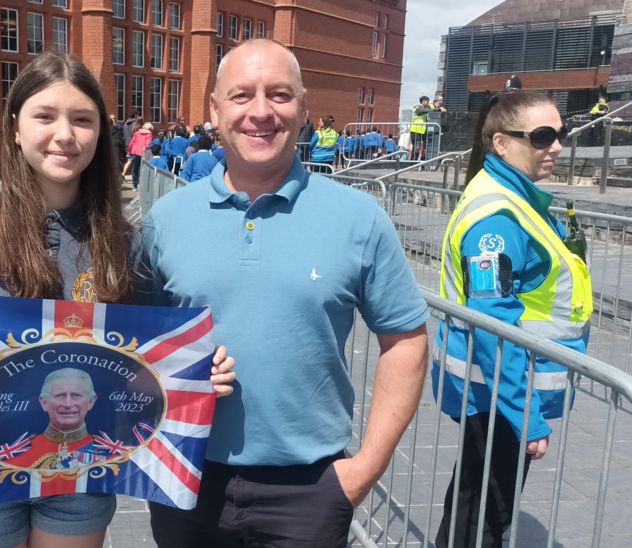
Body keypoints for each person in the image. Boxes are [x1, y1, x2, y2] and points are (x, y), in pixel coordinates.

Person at [0, 51, 236, 548]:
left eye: (82, 119)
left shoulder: (124, 242)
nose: (65, 134)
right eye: (44, 116)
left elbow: (151, 355)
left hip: (81, 474)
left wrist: (198, 372)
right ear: (16, 129)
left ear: (99, 135)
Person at [141, 38, 429, 548]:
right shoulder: (164, 220)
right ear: (213, 109)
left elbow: (405, 339)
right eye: (241, 96)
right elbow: (133, 344)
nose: (260, 112)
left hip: (310, 491)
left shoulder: (359, 218)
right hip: (185, 476)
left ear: (303, 108)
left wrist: (363, 470)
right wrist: (172, 368)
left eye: (278, 94)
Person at [434, 91, 592, 547]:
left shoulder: (510, 198)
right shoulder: (498, 218)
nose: (557, 146)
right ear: (501, 143)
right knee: (487, 512)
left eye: (559, 134)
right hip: (501, 390)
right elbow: (493, 321)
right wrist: (526, 416)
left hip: (499, 387)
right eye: (542, 136)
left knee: (473, 499)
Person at [5, 369, 111, 469]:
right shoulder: (14, 457)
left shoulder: (111, 457)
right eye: (59, 396)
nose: (67, 404)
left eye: (76, 395)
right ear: (44, 402)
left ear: (91, 402)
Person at [126, 121, 153, 188]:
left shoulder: (137, 133)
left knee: (135, 168)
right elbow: (148, 144)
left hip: (135, 152)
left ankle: (134, 185)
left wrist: (129, 151)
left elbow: (131, 143)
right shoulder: (149, 134)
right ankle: (142, 184)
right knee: (143, 169)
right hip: (143, 153)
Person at [411, 95, 431, 161]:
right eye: (426, 101)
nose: (428, 102)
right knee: (416, 148)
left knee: (425, 149)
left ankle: (422, 164)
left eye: (428, 101)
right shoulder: (417, 107)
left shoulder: (426, 109)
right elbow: (420, 111)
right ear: (422, 101)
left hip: (424, 131)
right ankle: (412, 163)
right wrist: (431, 109)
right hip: (416, 131)